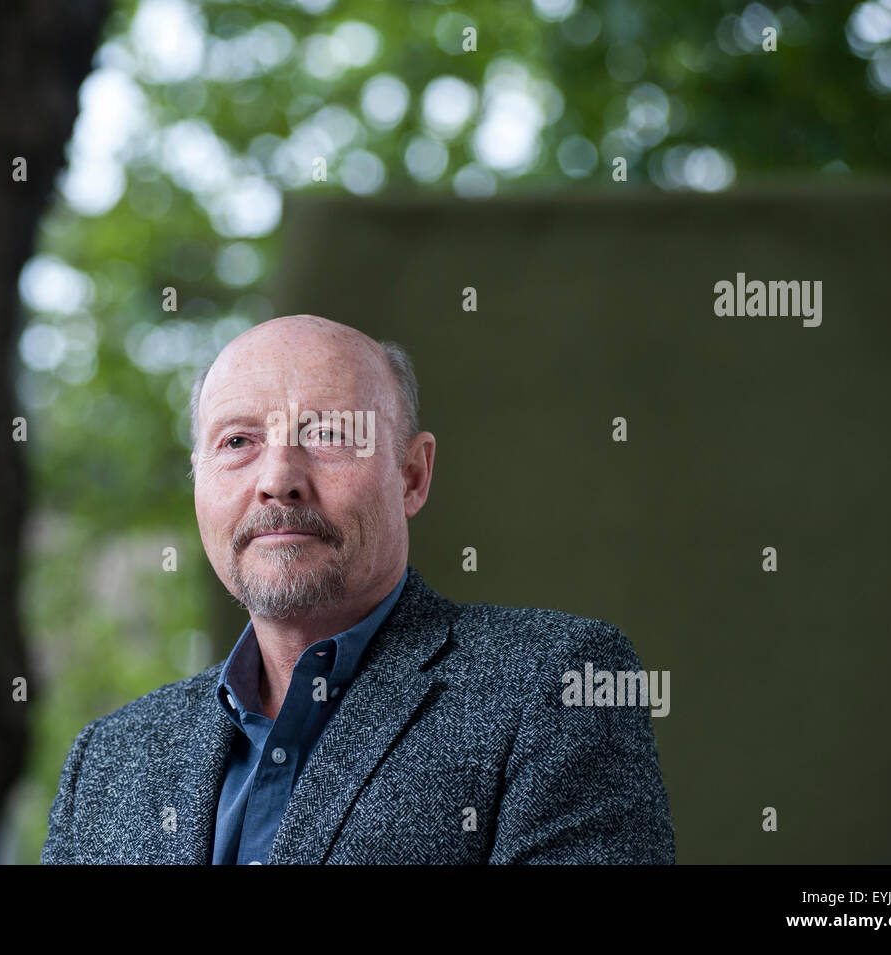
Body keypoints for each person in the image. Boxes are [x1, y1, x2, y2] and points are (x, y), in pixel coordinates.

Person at [42, 314, 674, 864]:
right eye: (237, 442)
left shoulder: (557, 685)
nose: (278, 479)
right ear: (198, 482)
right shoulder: (109, 761)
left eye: (328, 435)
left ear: (412, 476)